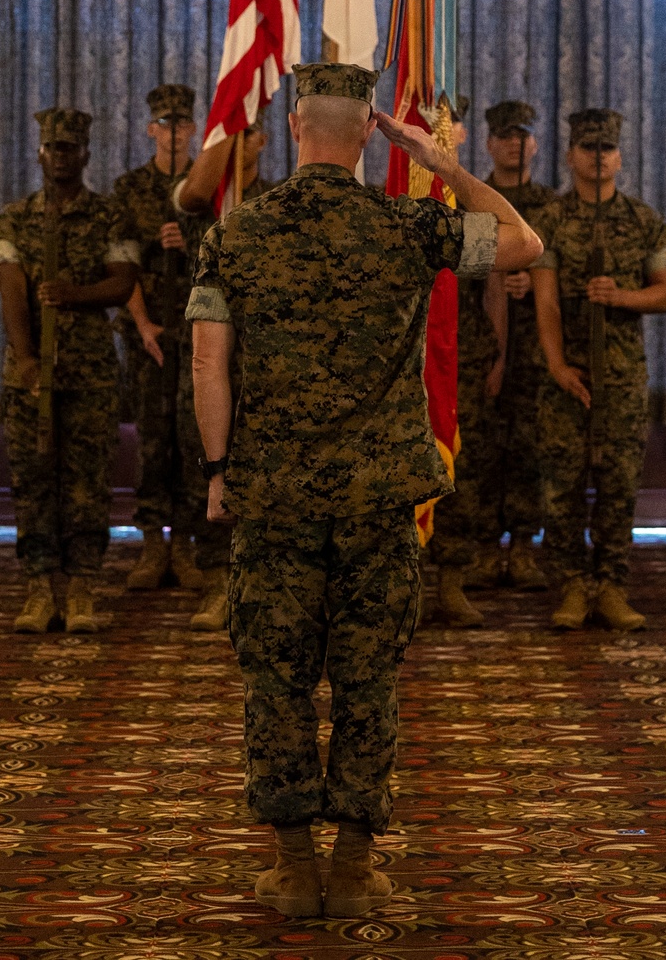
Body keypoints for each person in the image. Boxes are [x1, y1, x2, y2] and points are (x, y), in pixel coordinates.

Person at [187, 64, 542, 919]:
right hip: (380, 499)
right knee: (366, 678)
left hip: (272, 497)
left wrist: (216, 471)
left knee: (276, 678)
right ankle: (352, 867)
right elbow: (524, 244)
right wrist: (444, 166)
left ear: (299, 129)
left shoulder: (237, 234)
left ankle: (292, 867)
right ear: (367, 135)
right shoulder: (411, 225)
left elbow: (208, 361)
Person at [0, 109, 138, 634]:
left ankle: (81, 589)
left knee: (88, 484)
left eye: (71, 148)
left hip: (91, 374)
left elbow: (121, 285)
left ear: (86, 155)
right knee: (31, 482)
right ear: (40, 153)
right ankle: (38, 588)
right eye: (54, 148)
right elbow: (11, 292)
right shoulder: (12, 219)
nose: (62, 157)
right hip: (27, 377)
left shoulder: (110, 217)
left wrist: (74, 295)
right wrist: (27, 359)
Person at [531, 109, 666, 632]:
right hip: (565, 374)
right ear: (570, 155)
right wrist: (557, 365)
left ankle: (612, 585)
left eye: (607, 148)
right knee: (561, 484)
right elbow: (545, 303)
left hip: (621, 376)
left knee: (618, 484)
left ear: (619, 156)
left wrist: (621, 295)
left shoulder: (644, 220)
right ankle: (571, 586)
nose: (599, 156)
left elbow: (664, 294)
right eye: (588, 147)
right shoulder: (549, 220)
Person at [172, 112, 273, 631]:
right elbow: (189, 196)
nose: (242, 143)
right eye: (235, 133)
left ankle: (263, 586)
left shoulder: (281, 200)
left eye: (249, 133)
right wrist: (225, 127)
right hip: (211, 347)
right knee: (212, 467)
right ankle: (218, 583)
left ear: (267, 139)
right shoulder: (209, 199)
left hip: (265, 360)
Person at [112, 84, 200, 592]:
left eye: (181, 125)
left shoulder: (206, 187)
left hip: (198, 333)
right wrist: (142, 324)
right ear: (150, 130)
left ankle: (186, 544)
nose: (171, 133)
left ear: (192, 131)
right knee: (151, 440)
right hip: (147, 334)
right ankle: (151, 544)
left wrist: (188, 243)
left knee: (191, 439)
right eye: (163, 125)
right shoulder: (129, 189)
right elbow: (122, 265)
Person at [425, 97, 501, 628]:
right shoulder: (398, 194)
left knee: (462, 469)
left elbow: (496, 271)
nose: (439, 134)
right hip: (410, 353)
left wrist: (497, 350)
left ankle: (450, 580)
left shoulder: (467, 197)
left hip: (465, 355)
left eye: (447, 128)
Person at [479, 100, 556, 590]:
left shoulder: (552, 205)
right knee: (484, 445)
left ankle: (525, 546)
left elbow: (565, 275)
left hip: (535, 349)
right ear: (488, 143)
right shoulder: (475, 198)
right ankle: (485, 547)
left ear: (536, 143)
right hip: (482, 346)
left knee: (531, 446)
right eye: (505, 135)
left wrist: (535, 282)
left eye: (523, 135)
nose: (514, 143)